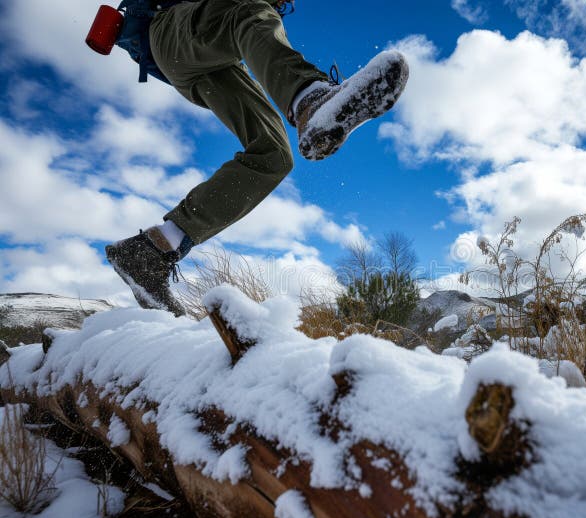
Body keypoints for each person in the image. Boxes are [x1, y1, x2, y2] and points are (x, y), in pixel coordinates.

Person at [104, 0, 409, 316]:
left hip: (207, 59)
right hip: (172, 30)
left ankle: (149, 253)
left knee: (274, 153)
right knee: (252, 13)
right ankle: (310, 100)